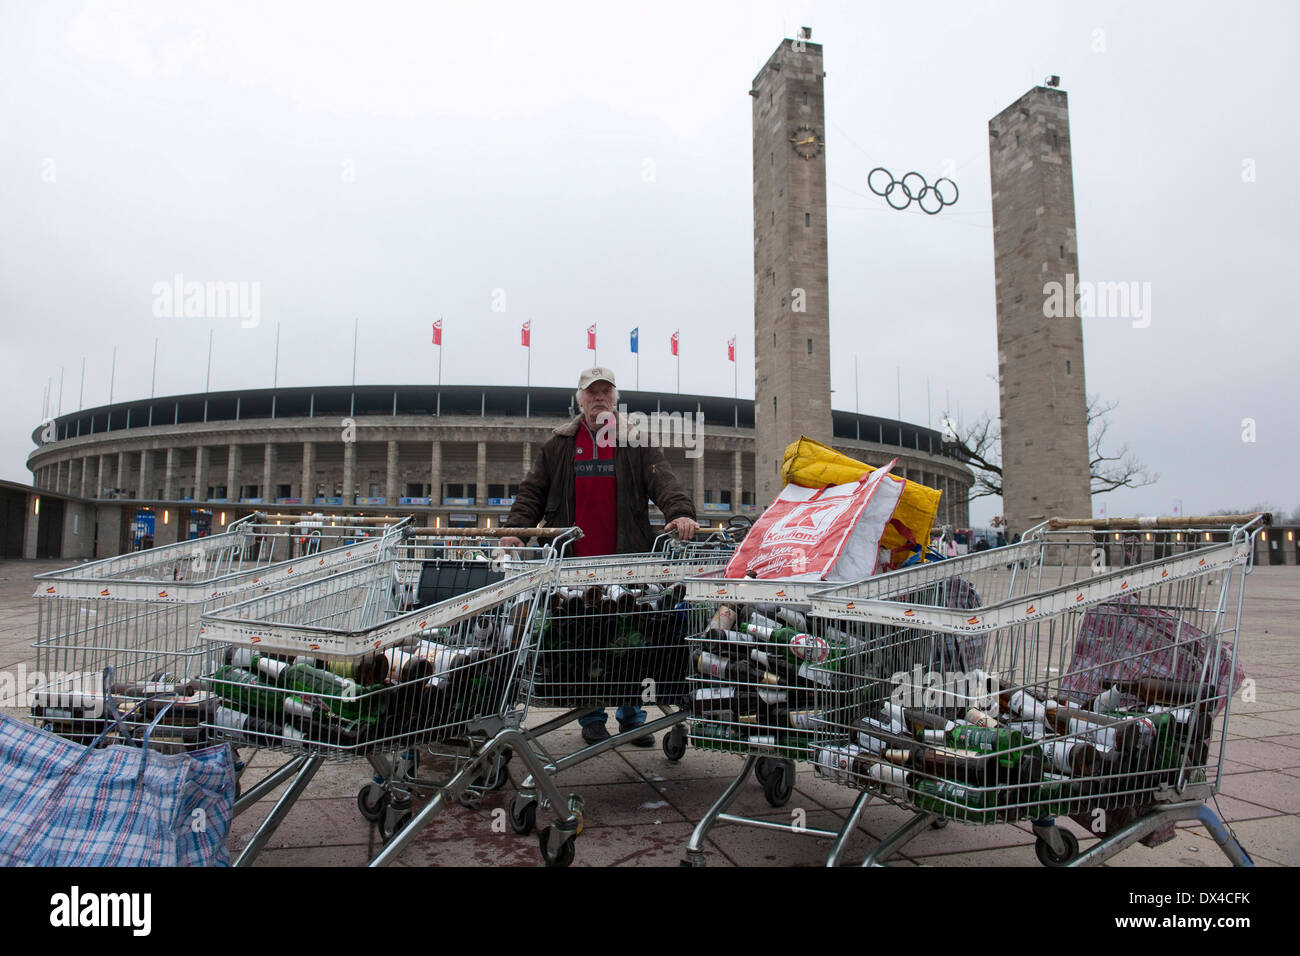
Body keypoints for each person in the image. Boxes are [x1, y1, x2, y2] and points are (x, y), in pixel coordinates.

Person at [500, 367, 699, 747]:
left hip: (626, 561)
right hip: (574, 564)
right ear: (580, 399)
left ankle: (631, 717)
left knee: (630, 639)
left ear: (615, 398)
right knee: (585, 639)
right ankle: (591, 716)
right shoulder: (559, 444)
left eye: (606, 392)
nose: (599, 399)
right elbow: (531, 493)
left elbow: (664, 479)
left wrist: (680, 512)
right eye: (592, 393)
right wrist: (517, 530)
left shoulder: (635, 441)